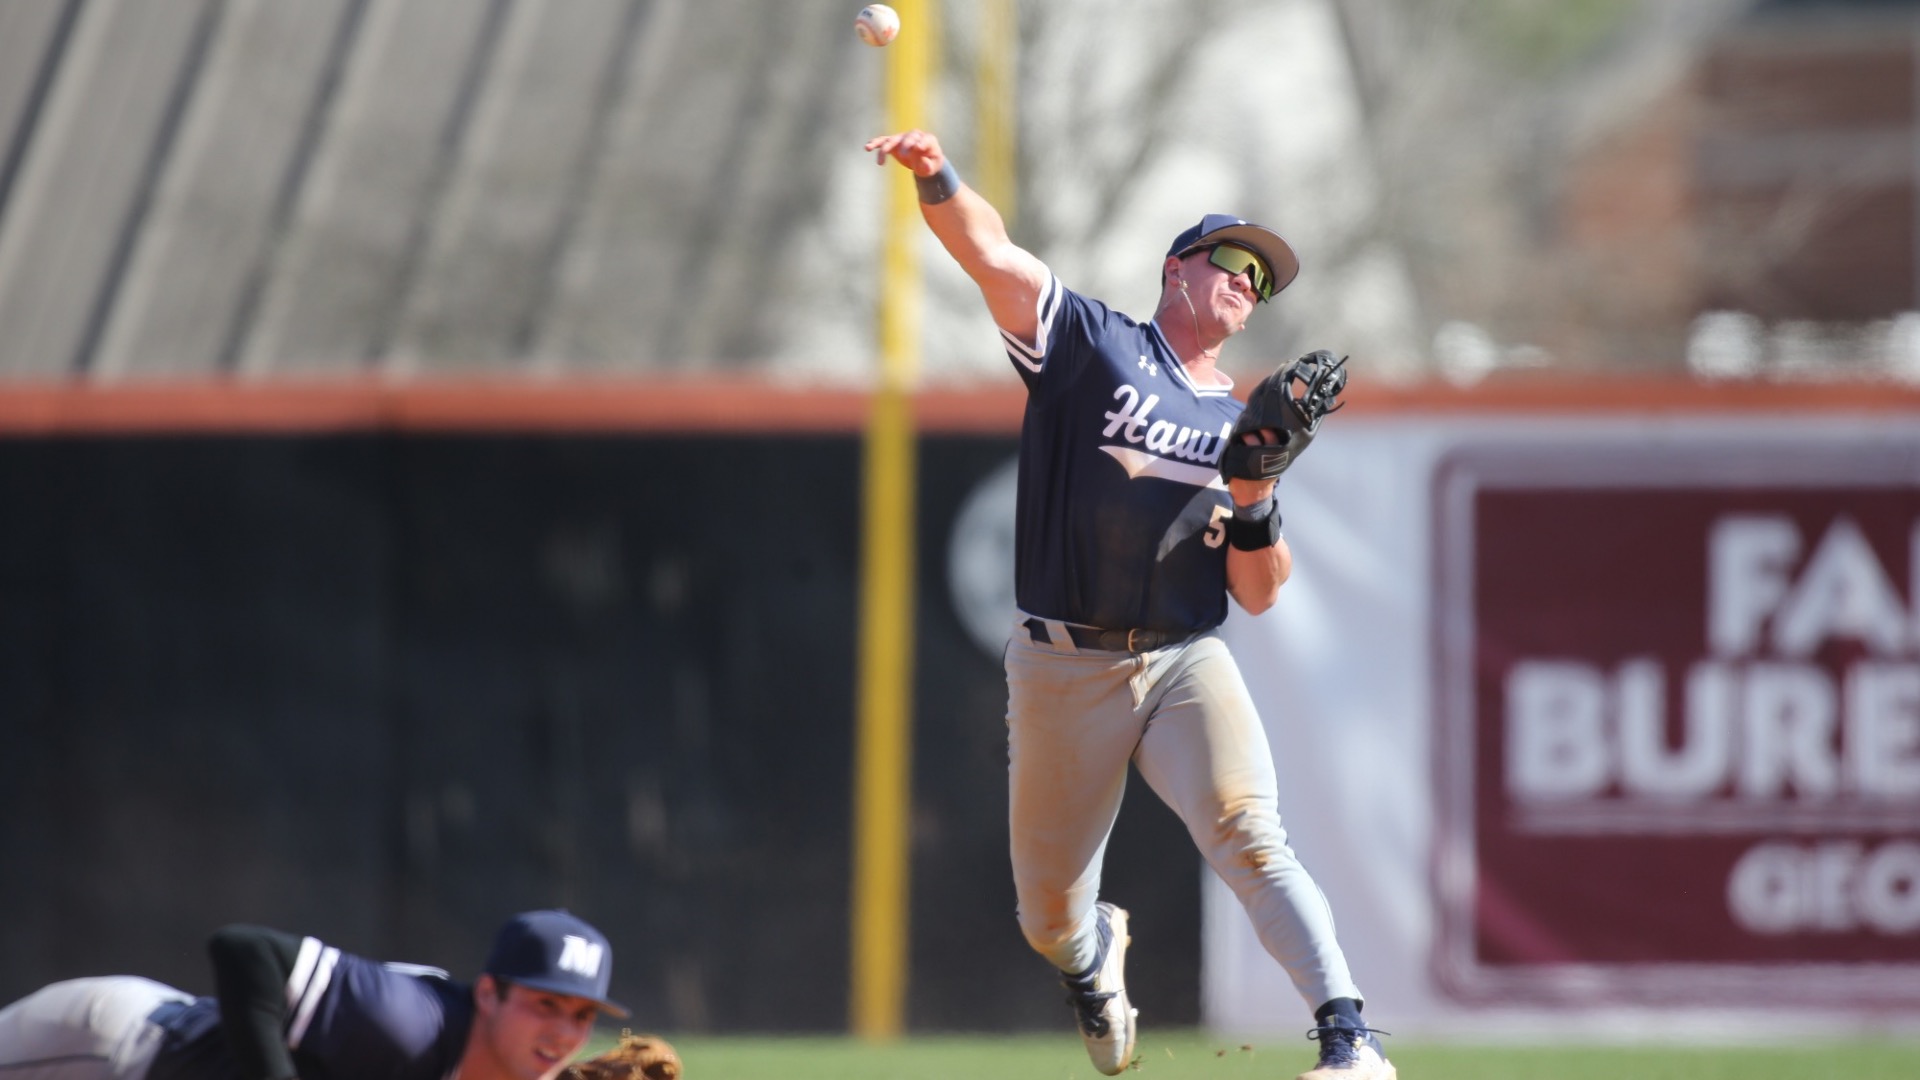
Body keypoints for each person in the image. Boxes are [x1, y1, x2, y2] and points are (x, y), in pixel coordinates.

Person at [863, 129, 1394, 1080]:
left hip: (1185, 654)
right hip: (1067, 663)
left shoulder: (1243, 423)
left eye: (1262, 283)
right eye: (1233, 262)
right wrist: (937, 174)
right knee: (1048, 918)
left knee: (1248, 832)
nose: (1248, 285)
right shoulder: (1090, 344)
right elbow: (989, 253)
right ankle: (1090, 961)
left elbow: (1262, 595)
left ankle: (1350, 1040)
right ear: (1176, 269)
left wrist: (1256, 494)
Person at [0, 908, 627, 1080]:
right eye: (545, 1004)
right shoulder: (406, 1023)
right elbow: (244, 948)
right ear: (489, 993)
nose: (564, 1033)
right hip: (115, 1049)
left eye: (581, 1015)